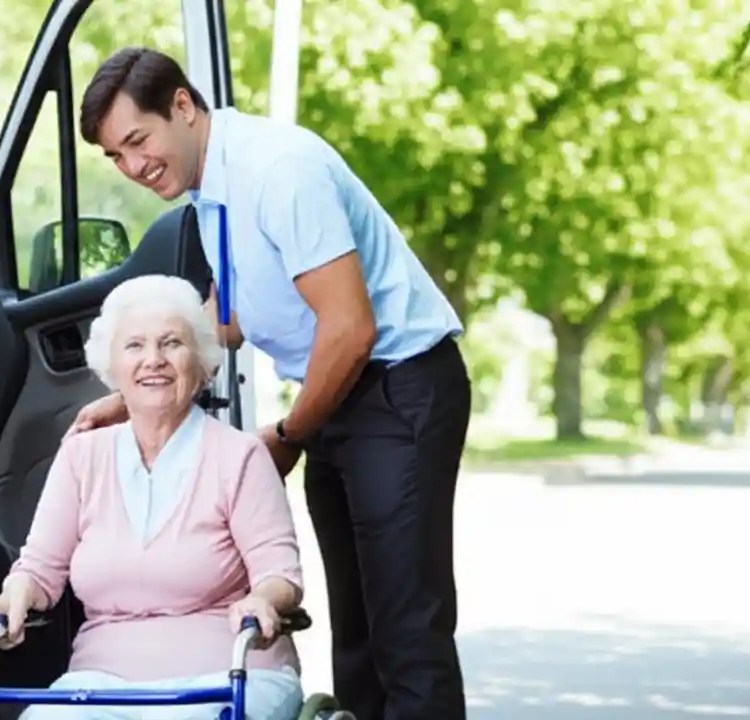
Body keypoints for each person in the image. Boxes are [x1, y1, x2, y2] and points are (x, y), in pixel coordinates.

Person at [68, 48, 472, 720]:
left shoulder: (278, 170)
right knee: (357, 637)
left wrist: (289, 435)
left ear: (183, 107)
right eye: (115, 156)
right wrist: (136, 392)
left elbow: (349, 327)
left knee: (407, 632)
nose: (133, 167)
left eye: (137, 141)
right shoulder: (212, 192)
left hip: (398, 389)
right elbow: (227, 317)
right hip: (340, 395)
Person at [0, 274, 306, 720]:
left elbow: (279, 571)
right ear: (111, 365)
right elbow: (39, 567)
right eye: (134, 346)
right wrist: (12, 595)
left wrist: (264, 599)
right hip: (102, 681)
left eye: (171, 343)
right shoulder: (81, 456)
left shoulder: (240, 455)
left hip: (228, 672)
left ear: (202, 362)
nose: (154, 360)